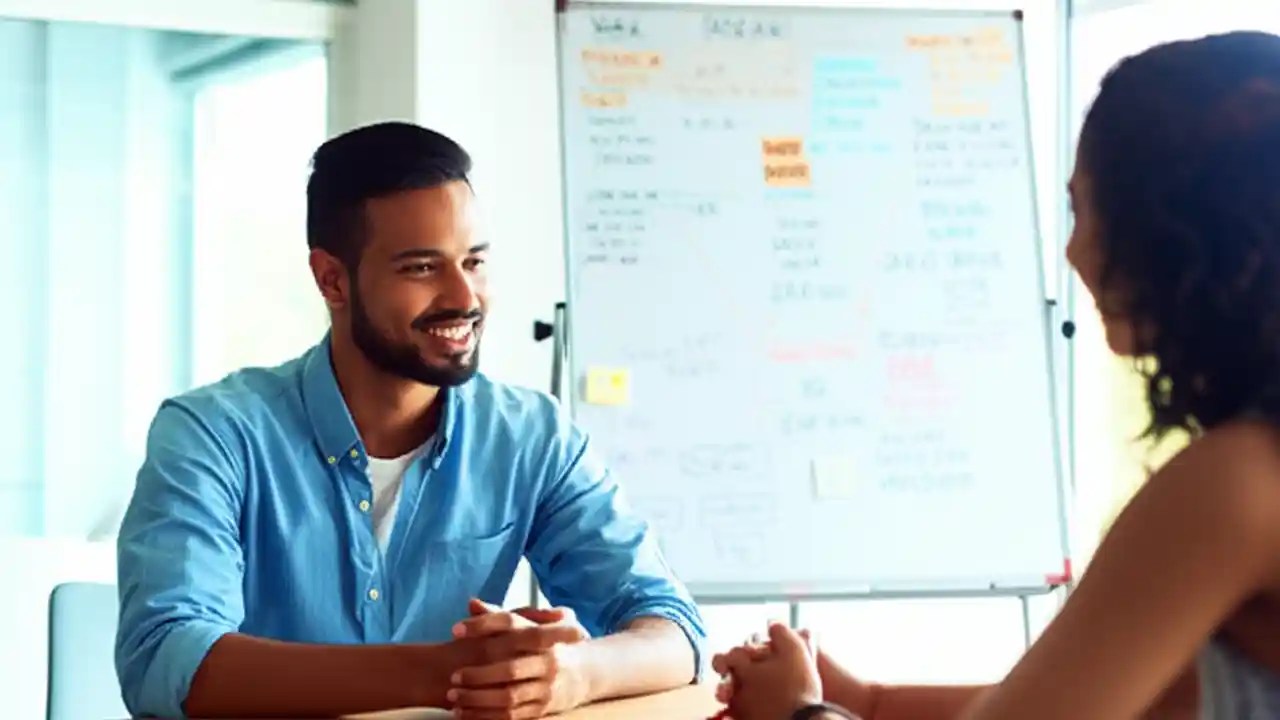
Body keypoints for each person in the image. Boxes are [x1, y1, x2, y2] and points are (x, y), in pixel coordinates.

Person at [713, 30, 1280, 720]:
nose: (1071, 251)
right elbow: (1137, 696)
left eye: (1084, 207)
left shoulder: (1238, 484)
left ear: (1172, 213)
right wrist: (868, 702)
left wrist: (800, 715)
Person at [115, 121, 705, 720]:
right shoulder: (212, 434)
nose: (463, 297)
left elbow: (675, 631)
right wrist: (449, 670)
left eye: (473, 261)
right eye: (422, 268)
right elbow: (169, 661)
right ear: (332, 279)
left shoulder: (531, 437)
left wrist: (570, 673)